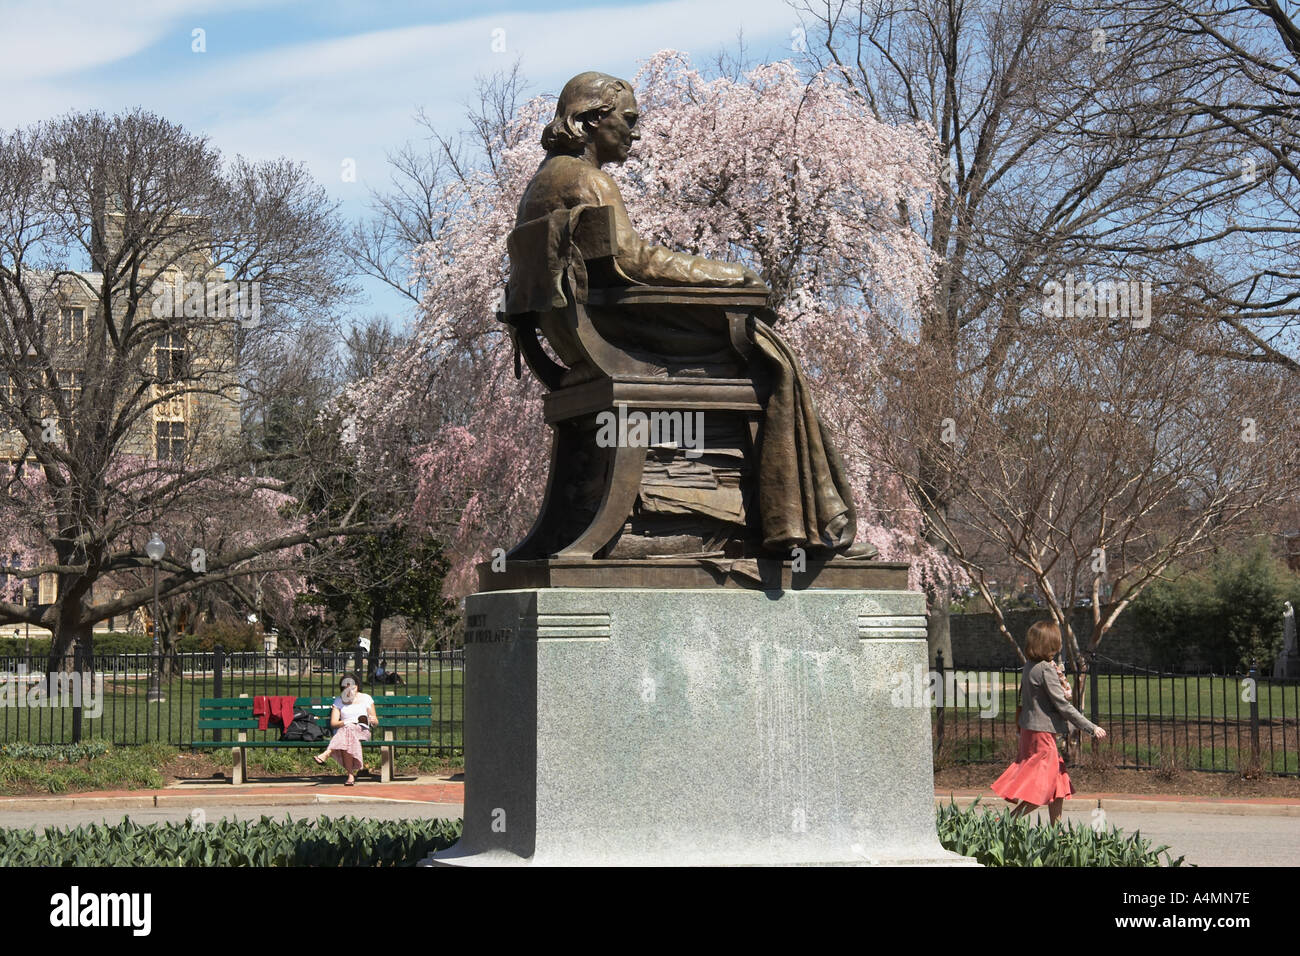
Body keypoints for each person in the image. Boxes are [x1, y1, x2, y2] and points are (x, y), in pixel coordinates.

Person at [506, 71, 868, 557]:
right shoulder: (589, 181)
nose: (636, 132)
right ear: (592, 120)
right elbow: (635, 262)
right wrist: (730, 276)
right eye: (628, 120)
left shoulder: (541, 184)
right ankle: (797, 524)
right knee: (772, 359)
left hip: (584, 347)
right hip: (625, 345)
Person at [992, 620, 1107, 823]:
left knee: (1057, 784)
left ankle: (1057, 832)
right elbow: (1063, 706)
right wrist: (1091, 727)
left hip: (1031, 731)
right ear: (1050, 643)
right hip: (1043, 734)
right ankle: (1004, 824)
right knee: (1042, 789)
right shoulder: (1045, 669)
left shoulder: (1030, 666)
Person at [313, 675, 377, 786]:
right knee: (348, 732)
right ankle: (350, 776)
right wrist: (348, 722)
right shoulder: (339, 701)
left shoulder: (366, 698)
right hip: (345, 731)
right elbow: (333, 723)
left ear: (357, 686)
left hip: (362, 731)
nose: (350, 691)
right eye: (346, 688)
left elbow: (375, 722)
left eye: (353, 687)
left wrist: (373, 720)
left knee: (348, 731)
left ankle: (328, 753)